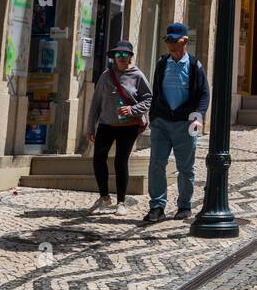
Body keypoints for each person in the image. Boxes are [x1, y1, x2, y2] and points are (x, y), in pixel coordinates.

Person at [145, 22, 209, 222]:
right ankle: (157, 206)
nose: (171, 45)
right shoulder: (162, 63)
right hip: (162, 122)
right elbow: (156, 91)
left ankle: (184, 205)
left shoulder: (194, 65)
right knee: (156, 164)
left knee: (186, 167)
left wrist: (198, 117)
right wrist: (153, 115)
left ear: (185, 42)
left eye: (175, 41)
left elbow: (204, 95)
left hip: (185, 122)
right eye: (168, 41)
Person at [86, 40, 151, 216]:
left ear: (130, 57)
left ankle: (121, 201)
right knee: (98, 158)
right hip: (106, 124)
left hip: (128, 126)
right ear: (113, 58)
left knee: (120, 161)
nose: (121, 58)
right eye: (117, 55)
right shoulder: (106, 76)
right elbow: (96, 103)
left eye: (125, 54)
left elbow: (148, 99)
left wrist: (132, 110)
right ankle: (104, 197)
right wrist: (90, 127)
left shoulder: (137, 76)